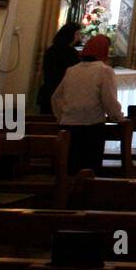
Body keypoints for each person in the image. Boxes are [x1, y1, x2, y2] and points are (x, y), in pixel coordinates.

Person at [52, 34, 123, 175]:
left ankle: (65, 193)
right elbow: (108, 99)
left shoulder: (72, 70)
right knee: (89, 167)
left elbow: (56, 97)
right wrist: (117, 116)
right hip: (91, 126)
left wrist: (62, 116)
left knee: (70, 166)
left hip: (68, 125)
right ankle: (85, 194)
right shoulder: (104, 71)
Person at [37, 22, 81, 115]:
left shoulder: (51, 49)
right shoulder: (71, 53)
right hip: (62, 92)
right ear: (70, 34)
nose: (79, 36)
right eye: (77, 34)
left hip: (48, 91)